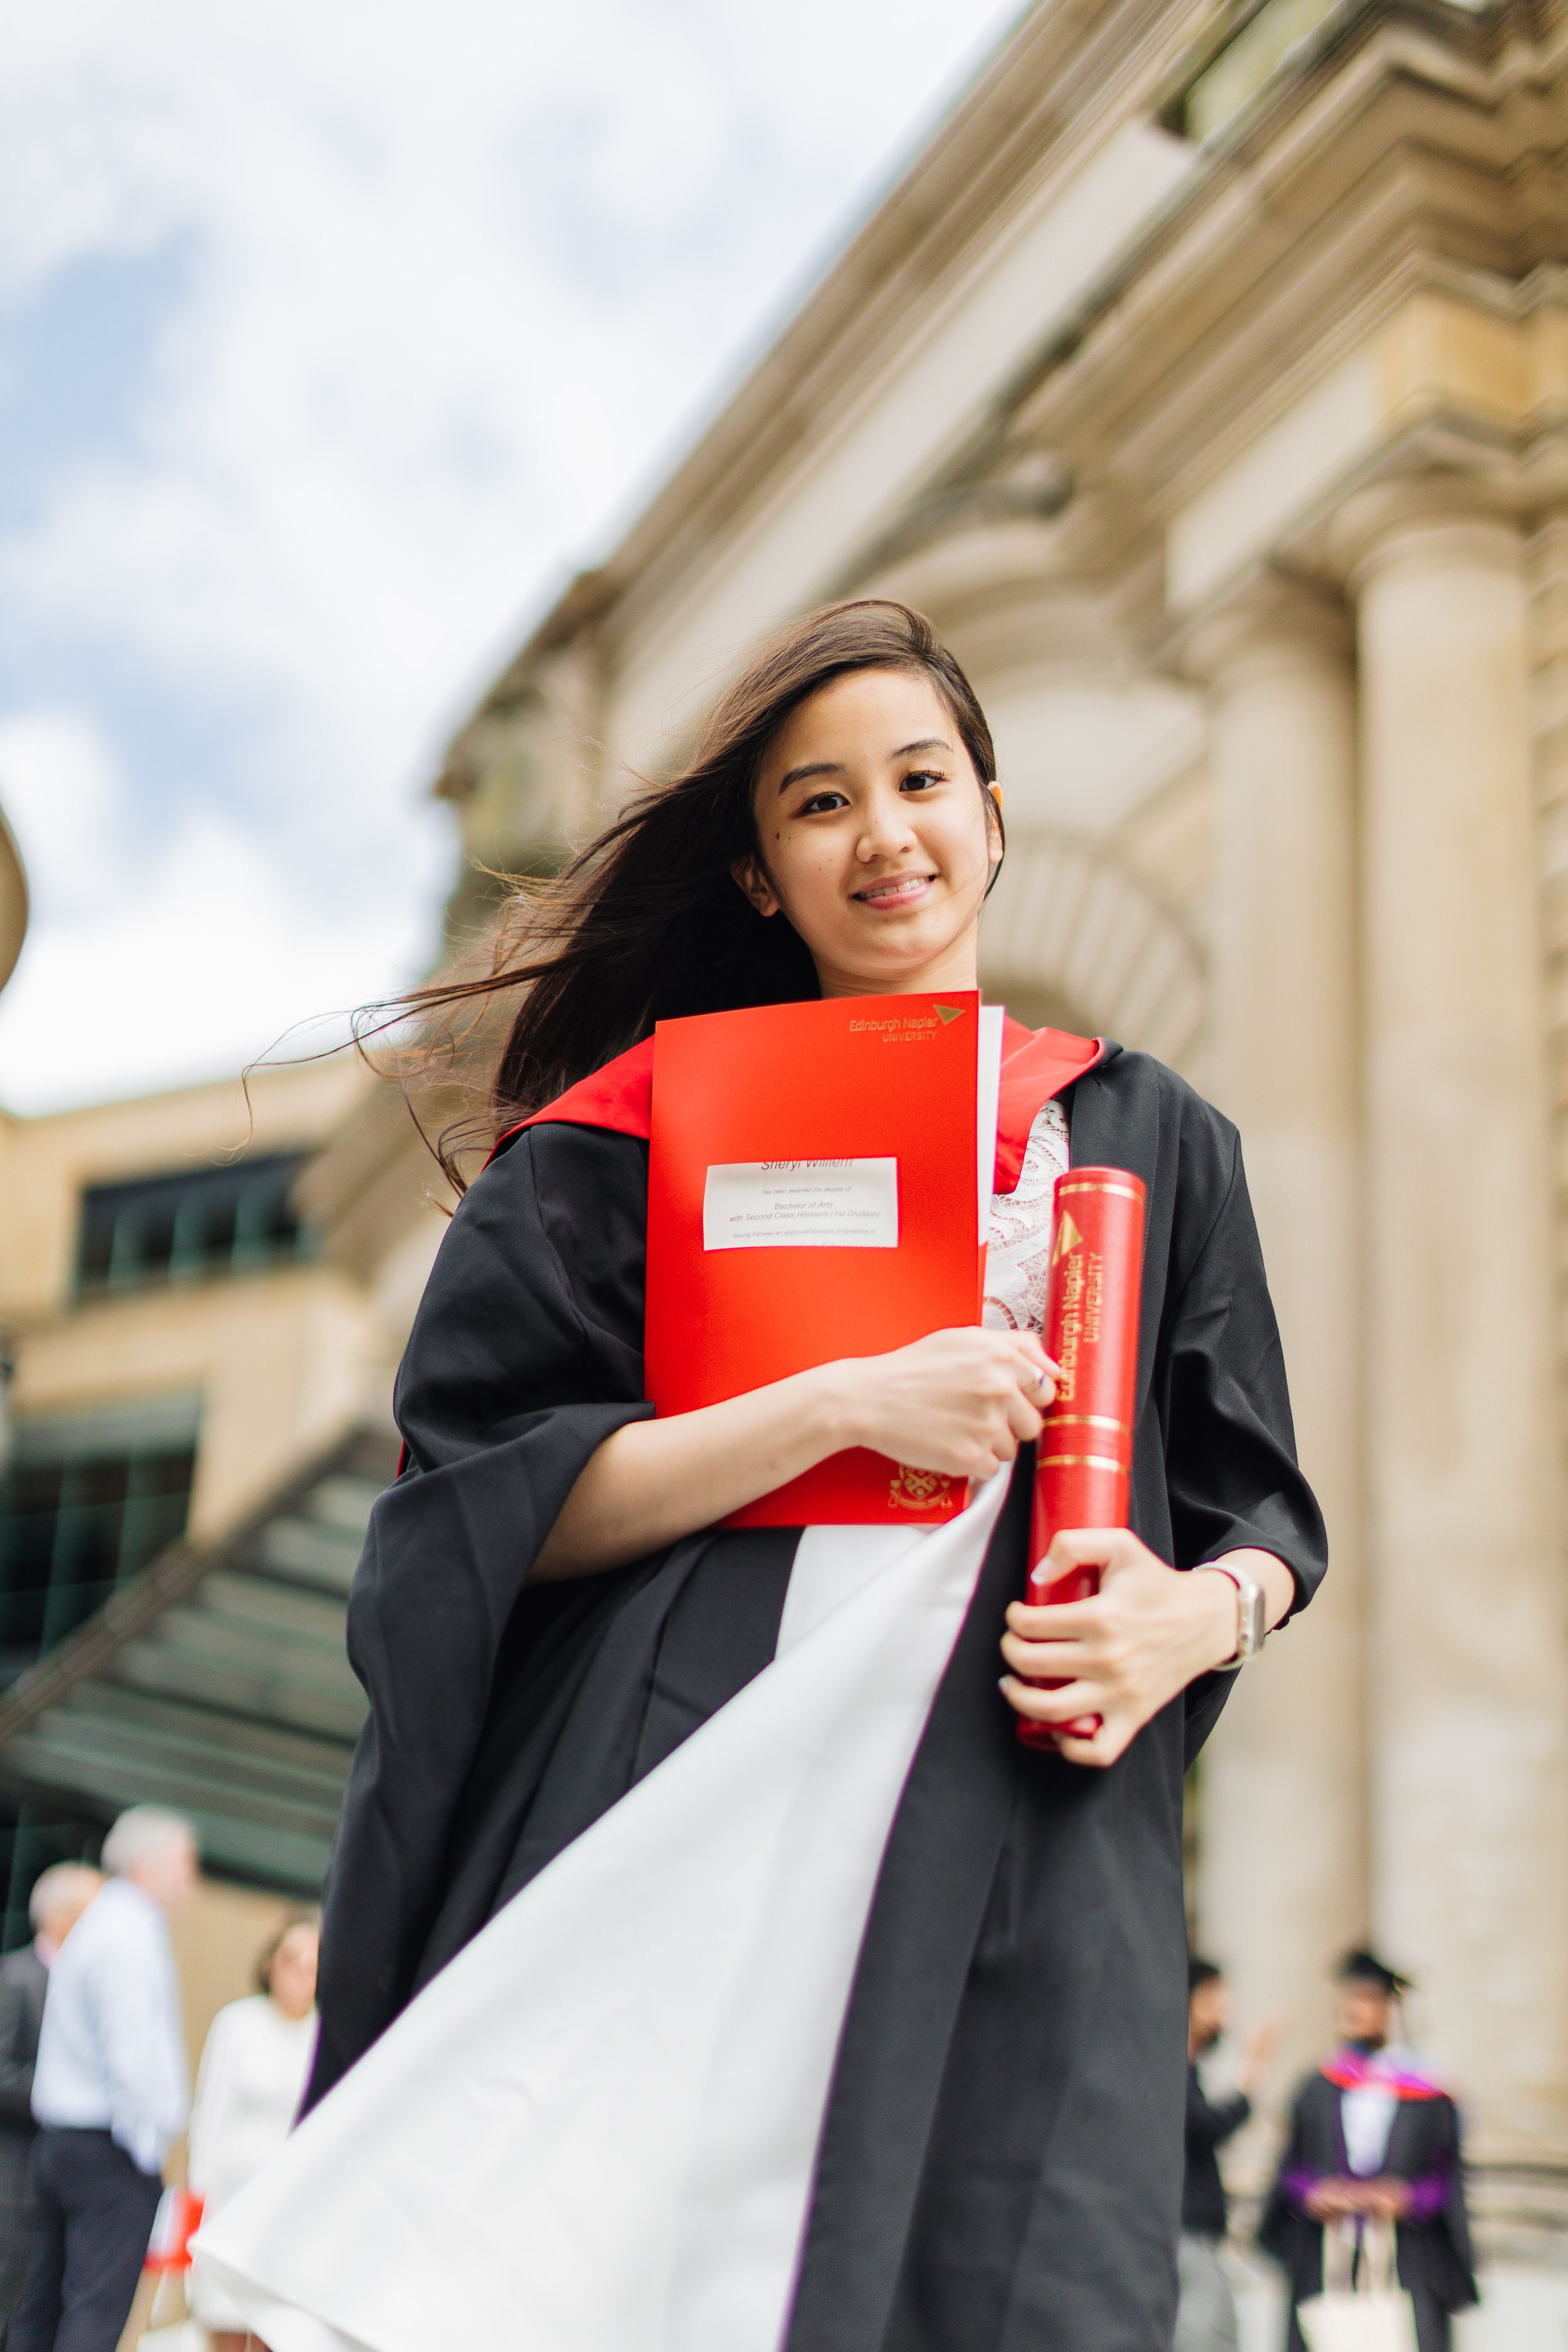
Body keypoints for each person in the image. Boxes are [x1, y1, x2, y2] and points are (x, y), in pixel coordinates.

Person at [196, 599, 1327, 2351]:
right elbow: (479, 1509)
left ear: (993, 812)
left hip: (1022, 1809)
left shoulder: (1135, 1128)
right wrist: (839, 1401)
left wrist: (1191, 1617)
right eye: (817, 802)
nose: (884, 833)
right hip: (687, 1781)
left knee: (1002, 2279)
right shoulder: (629, 1139)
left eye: (921, 778)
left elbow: (1264, 1509)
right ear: (754, 873)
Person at [13, 1808, 197, 2352]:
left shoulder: (101, 1924)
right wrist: (146, 2149)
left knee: (41, 2312)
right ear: (146, 1866)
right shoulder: (128, 1933)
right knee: (94, 2313)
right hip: (108, 2148)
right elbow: (131, 2054)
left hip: (66, 2142)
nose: (191, 1880)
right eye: (185, 1865)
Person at [1260, 1949, 1477, 2352]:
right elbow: (1290, 2168)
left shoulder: (1429, 2094)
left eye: (1366, 2000)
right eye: (1348, 2000)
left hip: (1406, 2258)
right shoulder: (1319, 2086)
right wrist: (1314, 2193)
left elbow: (1446, 2178)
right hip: (1327, 2256)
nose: (1353, 2011)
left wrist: (1405, 2198)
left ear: (1390, 2011)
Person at [187, 1916, 317, 2352]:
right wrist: (198, 2195)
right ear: (270, 1965)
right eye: (292, 1960)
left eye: (314, 1964)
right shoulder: (238, 2024)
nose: (302, 1973)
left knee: (275, 2328)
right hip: (231, 2200)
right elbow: (210, 2116)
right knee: (224, 2322)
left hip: (292, 2209)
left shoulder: (326, 2035)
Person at [0, 1868, 102, 2346]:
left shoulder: (88, 1987)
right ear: (61, 1919)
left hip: (58, 2186)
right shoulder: (17, 1978)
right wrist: (62, 2095)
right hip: (14, 2182)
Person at [1177, 1956, 1280, 2352]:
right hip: (1186, 2236)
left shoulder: (1185, 2070)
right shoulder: (1171, 2069)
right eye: (1216, 2000)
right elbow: (1205, 2128)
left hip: (1201, 2237)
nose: (1226, 2012)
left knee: (1222, 2338)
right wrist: (1253, 2071)